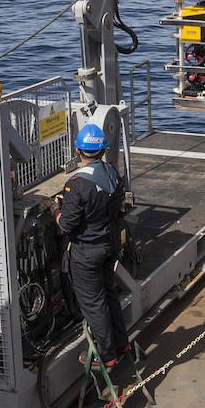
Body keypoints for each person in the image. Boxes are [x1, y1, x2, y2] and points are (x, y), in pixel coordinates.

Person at [55, 123, 130, 369]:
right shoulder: (112, 175)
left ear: (78, 151)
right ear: (104, 150)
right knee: (109, 294)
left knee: (93, 304)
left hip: (86, 254)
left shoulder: (76, 183)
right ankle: (122, 344)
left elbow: (67, 225)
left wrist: (55, 210)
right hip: (109, 247)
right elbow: (119, 208)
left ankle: (106, 356)